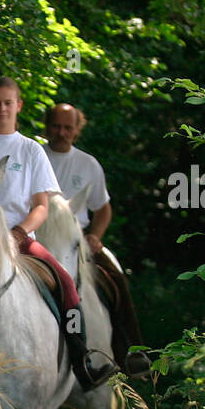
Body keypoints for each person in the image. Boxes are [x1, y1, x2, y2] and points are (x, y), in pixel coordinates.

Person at [0, 78, 117, 390]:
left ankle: (81, 360)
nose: (1, 108)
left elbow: (42, 206)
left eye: (7, 103)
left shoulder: (31, 150)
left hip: (19, 239)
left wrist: (19, 232)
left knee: (66, 283)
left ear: (18, 106)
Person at [44, 103, 151, 377]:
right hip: (39, 237)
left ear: (77, 130)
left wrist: (95, 237)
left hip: (76, 241)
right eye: (57, 126)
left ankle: (130, 350)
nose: (62, 132)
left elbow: (103, 209)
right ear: (47, 126)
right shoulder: (35, 156)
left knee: (115, 275)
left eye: (68, 127)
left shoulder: (88, 164)